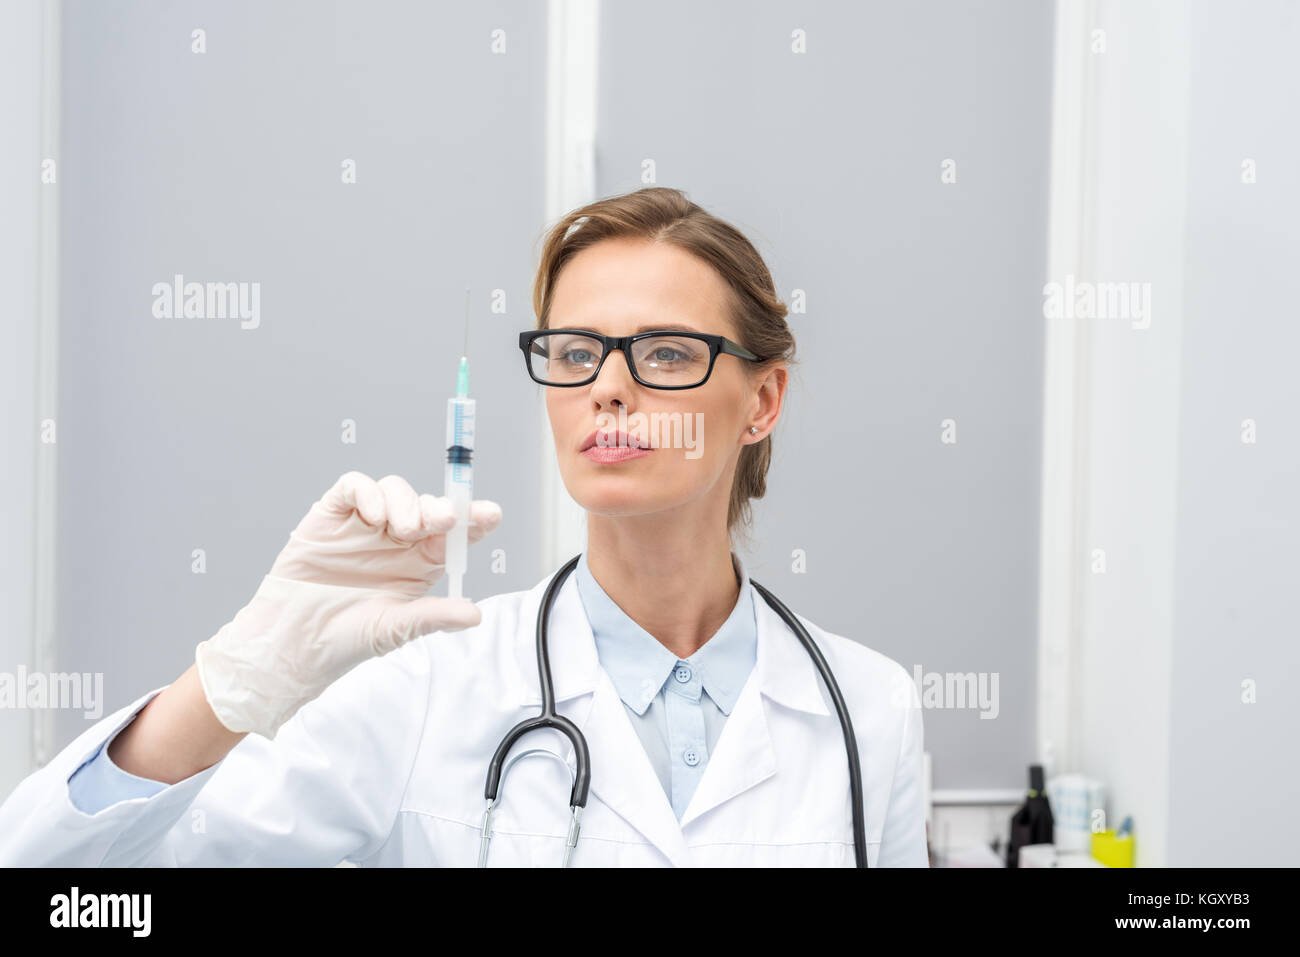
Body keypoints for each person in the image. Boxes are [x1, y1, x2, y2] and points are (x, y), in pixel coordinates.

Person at [0, 187, 927, 867]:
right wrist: (232, 679)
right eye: (574, 352)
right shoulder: (426, 689)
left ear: (762, 400)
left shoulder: (867, 714)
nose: (608, 385)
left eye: (667, 352)